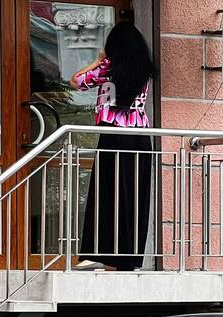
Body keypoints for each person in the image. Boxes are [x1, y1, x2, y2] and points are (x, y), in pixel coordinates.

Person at [69, 20, 156, 270]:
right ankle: (129, 260)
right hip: (139, 139)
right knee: (135, 198)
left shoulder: (108, 67)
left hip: (114, 135)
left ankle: (103, 255)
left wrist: (99, 59)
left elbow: (75, 81)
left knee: (107, 195)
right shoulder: (144, 70)